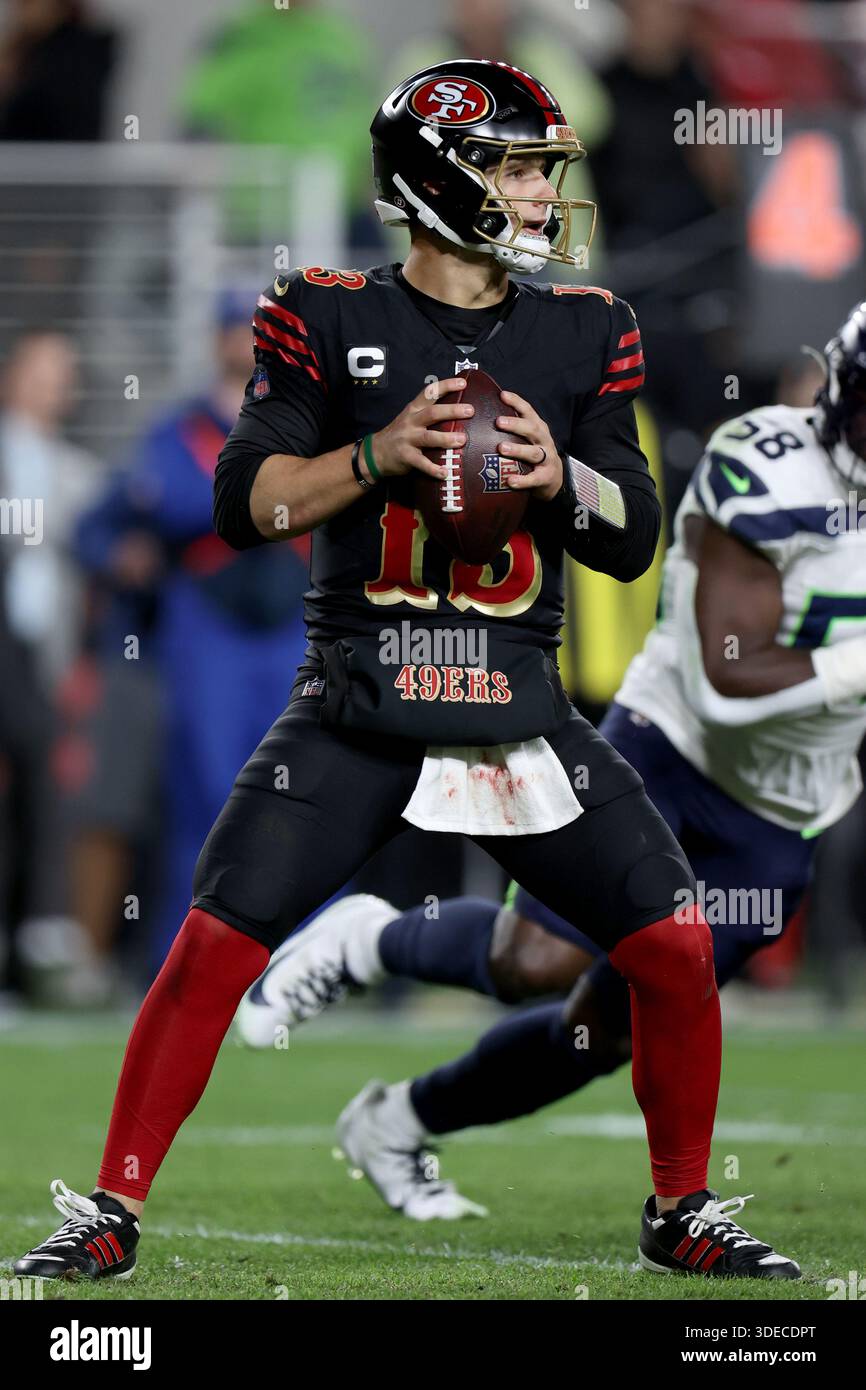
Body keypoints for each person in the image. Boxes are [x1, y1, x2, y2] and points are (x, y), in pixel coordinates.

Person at [16, 59, 796, 1284]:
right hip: (360, 702)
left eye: (545, 165)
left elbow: (633, 529)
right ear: (443, 176)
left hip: (517, 710)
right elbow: (247, 505)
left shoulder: (586, 327)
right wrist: (374, 453)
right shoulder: (324, 312)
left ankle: (681, 1206)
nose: (545, 188)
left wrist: (558, 482)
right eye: (521, 163)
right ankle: (109, 1208)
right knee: (212, 945)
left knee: (675, 946)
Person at [242, 305, 866, 1232]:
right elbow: (732, 669)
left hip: (783, 815)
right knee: (533, 961)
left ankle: (398, 1121)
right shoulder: (767, 461)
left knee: (603, 1033)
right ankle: (369, 939)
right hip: (672, 745)